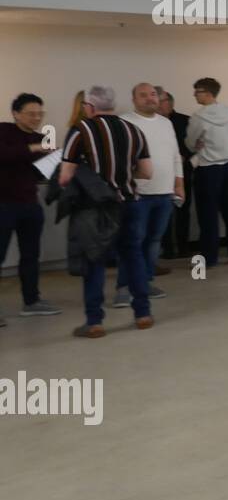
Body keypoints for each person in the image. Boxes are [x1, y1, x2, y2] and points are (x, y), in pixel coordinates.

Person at [59, 86, 153, 338]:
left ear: (89, 106)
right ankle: (143, 313)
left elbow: (65, 176)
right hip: (130, 202)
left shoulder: (81, 130)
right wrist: (122, 174)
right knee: (133, 257)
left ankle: (95, 321)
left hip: (96, 208)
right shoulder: (134, 130)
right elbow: (147, 172)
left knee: (94, 261)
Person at [112, 82, 183, 308]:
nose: (149, 98)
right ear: (134, 99)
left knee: (153, 242)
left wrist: (179, 184)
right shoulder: (125, 122)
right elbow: (117, 159)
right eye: (143, 95)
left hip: (164, 193)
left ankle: (144, 282)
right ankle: (123, 288)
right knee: (132, 241)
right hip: (137, 195)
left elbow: (175, 155)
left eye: (153, 94)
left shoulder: (166, 123)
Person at [0, 93, 62, 325]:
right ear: (16, 113)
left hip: (29, 204)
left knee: (31, 255)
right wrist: (35, 148)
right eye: (31, 113)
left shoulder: (40, 138)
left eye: (40, 114)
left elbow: (38, 174)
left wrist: (54, 160)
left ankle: (32, 301)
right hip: (3, 205)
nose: (36, 117)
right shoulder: (4, 131)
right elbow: (5, 155)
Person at [185, 77, 228, 267]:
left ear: (208, 93)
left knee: (207, 215)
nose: (195, 94)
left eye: (197, 91)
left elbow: (190, 142)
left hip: (208, 169)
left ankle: (209, 258)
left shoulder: (198, 116)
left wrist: (196, 144)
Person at [158, 90, 193, 260]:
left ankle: (183, 246)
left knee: (183, 210)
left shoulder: (185, 121)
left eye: (161, 100)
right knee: (164, 210)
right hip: (162, 173)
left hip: (183, 171)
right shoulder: (154, 122)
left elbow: (193, 144)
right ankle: (167, 249)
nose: (158, 103)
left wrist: (184, 156)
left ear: (170, 103)